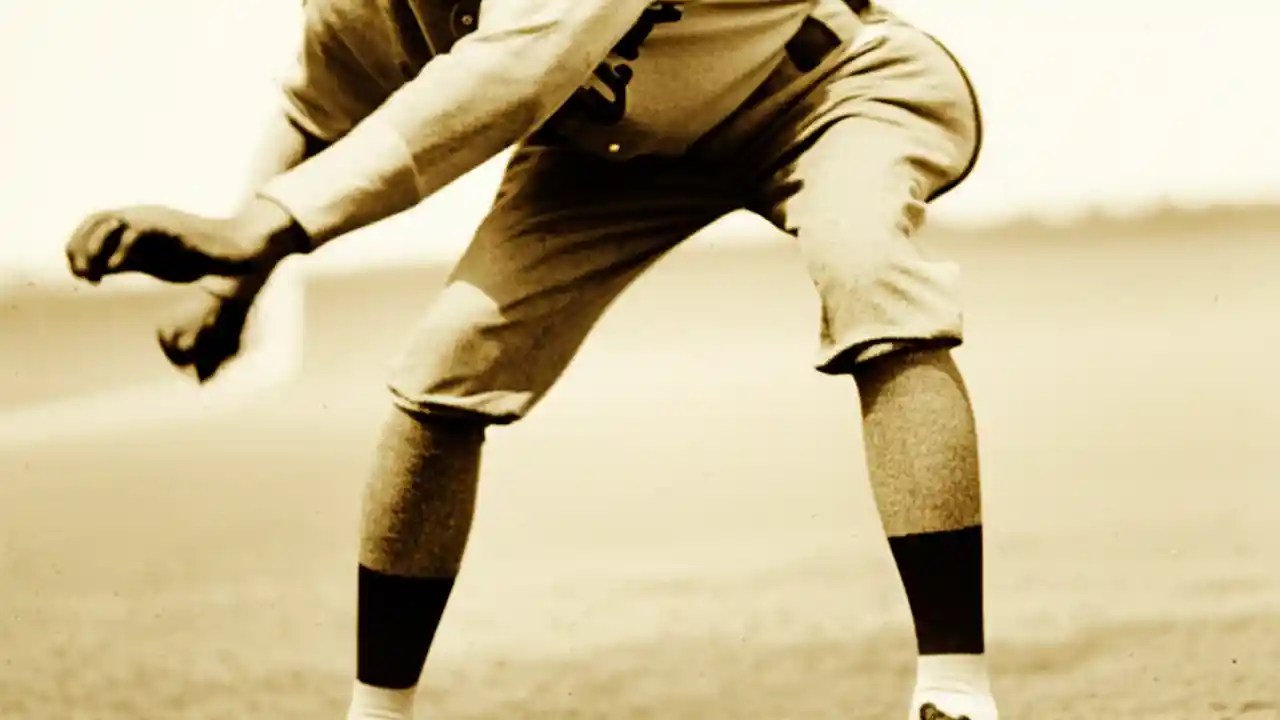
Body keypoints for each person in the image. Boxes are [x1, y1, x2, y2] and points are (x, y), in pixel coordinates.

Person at [64, 1, 994, 717]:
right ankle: (375, 713)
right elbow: (319, 106)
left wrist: (262, 230)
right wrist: (234, 285)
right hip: (610, 154)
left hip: (818, 86)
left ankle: (953, 692)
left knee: (864, 259)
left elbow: (515, 71)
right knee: (446, 363)